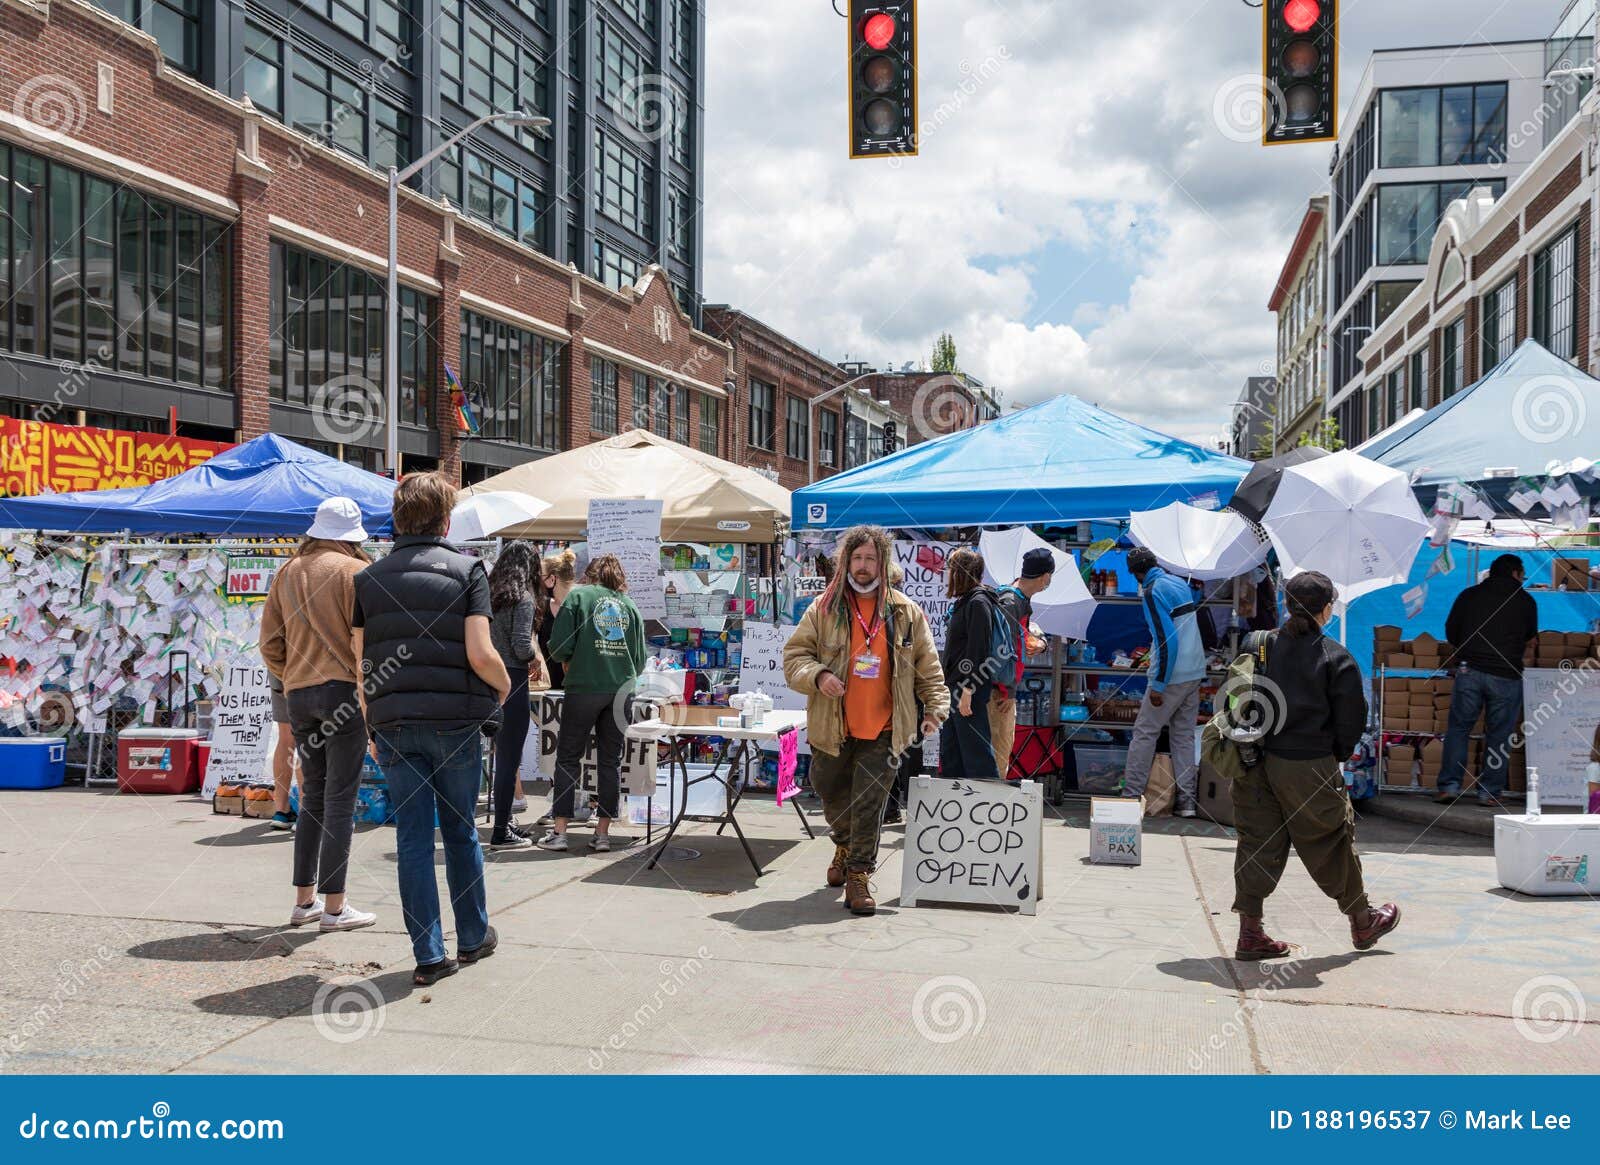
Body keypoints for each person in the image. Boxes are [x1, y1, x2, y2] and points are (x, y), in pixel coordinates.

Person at [354, 473, 512, 987]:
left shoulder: (368, 580)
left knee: (414, 841)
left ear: (398, 519)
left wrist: (372, 723)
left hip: (394, 724)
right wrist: (505, 686)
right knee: (461, 830)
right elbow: (481, 654)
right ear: (445, 519)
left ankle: (428, 954)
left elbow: (362, 666)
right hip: (455, 724)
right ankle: (472, 936)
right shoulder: (468, 571)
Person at [1231, 570, 1401, 959]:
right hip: (1308, 764)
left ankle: (1250, 933)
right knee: (1331, 840)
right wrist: (1333, 756)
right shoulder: (1336, 658)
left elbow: (1238, 697)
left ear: (1286, 605)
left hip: (1252, 760)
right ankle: (1362, 922)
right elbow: (1351, 722)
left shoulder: (1258, 644)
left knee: (1257, 842)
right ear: (1327, 609)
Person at [784, 526, 948, 915]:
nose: (862, 565)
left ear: (882, 563)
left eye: (870, 558)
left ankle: (859, 875)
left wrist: (935, 708)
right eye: (856, 558)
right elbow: (794, 658)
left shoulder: (906, 611)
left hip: (886, 728)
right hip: (832, 725)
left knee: (869, 804)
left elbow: (928, 666)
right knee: (827, 789)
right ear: (846, 562)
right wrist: (820, 676)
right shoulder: (823, 609)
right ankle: (843, 843)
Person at [258, 496, 378, 934]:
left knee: (312, 796)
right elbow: (369, 641)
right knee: (341, 798)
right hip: (343, 692)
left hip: (300, 696)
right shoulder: (355, 572)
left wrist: (292, 673)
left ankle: (303, 901)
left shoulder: (287, 571)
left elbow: (269, 642)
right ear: (350, 539)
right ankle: (335, 907)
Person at [540, 553, 646, 853]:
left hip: (584, 688)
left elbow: (559, 648)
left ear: (590, 573)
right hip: (621, 691)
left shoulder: (578, 597)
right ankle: (602, 834)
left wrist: (571, 658)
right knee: (610, 761)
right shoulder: (630, 605)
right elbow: (639, 662)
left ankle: (560, 832)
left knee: (568, 758)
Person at [1439, 554, 1538, 808]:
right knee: (1499, 735)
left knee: (1459, 730)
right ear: (1516, 573)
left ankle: (1449, 786)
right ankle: (1490, 792)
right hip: (1506, 675)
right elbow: (1530, 638)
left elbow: (1451, 631)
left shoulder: (1468, 596)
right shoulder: (1526, 601)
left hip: (1469, 670)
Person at [1122, 547, 1206, 817]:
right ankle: (1186, 803)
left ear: (1135, 572)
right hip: (1195, 669)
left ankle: (1131, 796)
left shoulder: (1152, 591)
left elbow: (1166, 639)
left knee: (1145, 733)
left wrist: (1158, 684)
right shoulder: (1177, 582)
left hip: (1172, 675)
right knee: (1182, 738)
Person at [486, 541, 546, 852]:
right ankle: (501, 830)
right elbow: (522, 644)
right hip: (512, 680)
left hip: (483, 679)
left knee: (494, 757)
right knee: (509, 759)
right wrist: (534, 657)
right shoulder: (523, 598)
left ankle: (502, 820)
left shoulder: (488, 595)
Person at [990, 548, 1055, 777]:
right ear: (1045, 577)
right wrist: (1008, 690)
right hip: (997, 693)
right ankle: (991, 805)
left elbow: (1015, 640)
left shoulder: (1016, 598)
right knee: (998, 754)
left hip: (1000, 689)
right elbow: (1001, 651)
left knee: (999, 752)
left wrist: (1039, 643)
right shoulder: (1011, 602)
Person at [940, 547, 1003, 780]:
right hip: (956, 687)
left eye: (950, 568)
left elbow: (978, 650)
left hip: (968, 688)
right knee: (952, 751)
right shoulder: (967, 601)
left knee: (976, 753)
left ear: (960, 572)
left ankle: (989, 807)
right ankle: (952, 805)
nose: (947, 573)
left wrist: (968, 689)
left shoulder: (978, 602)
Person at [266, 675, 298, 831]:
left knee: (285, 738)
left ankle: (281, 810)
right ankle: (308, 811)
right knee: (309, 736)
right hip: (308, 674)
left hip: (279, 672)